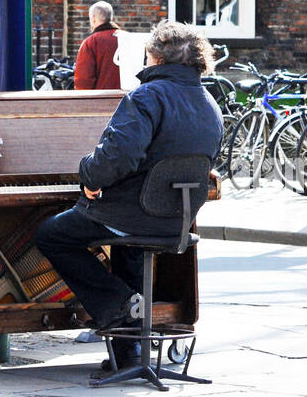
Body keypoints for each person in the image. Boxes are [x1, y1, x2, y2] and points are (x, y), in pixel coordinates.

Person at [34, 20, 223, 368]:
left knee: (51, 234)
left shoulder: (147, 96)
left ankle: (120, 304)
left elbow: (119, 157)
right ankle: (129, 353)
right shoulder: (208, 102)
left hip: (130, 214)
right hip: (174, 222)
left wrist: (89, 175)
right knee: (131, 248)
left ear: (154, 57)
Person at [73, 0, 122, 90]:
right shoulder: (127, 38)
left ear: (94, 18)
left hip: (101, 100)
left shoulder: (91, 42)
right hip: (128, 99)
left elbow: (83, 81)